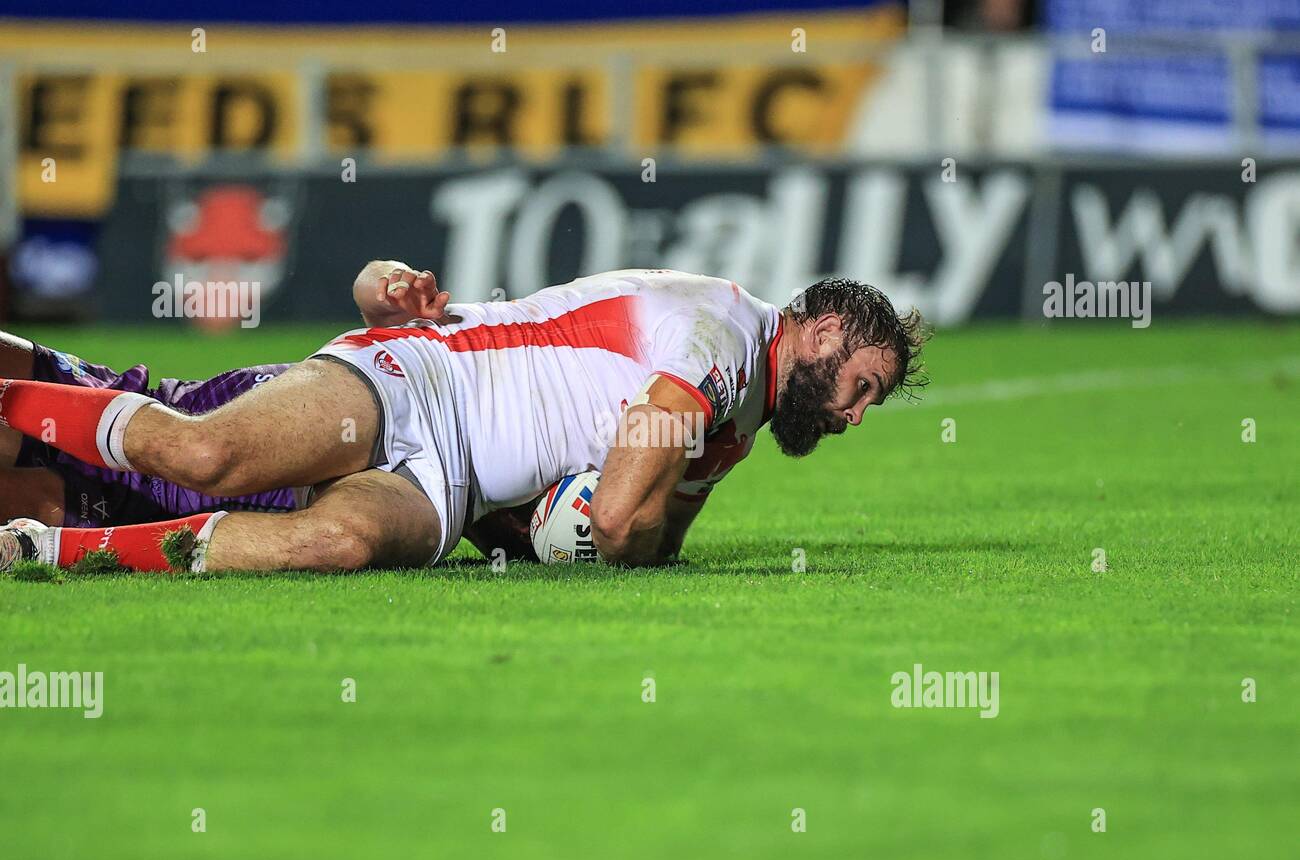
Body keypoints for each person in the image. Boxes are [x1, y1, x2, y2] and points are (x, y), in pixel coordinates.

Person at [0, 266, 926, 573]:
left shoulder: (741, 415)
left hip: (453, 483)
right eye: (863, 388)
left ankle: (40, 551)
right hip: (424, 380)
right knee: (207, 450)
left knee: (334, 546)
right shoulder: (719, 341)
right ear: (828, 333)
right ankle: (14, 399)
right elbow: (616, 525)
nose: (853, 417)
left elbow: (650, 540)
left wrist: (544, 528)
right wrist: (585, 523)